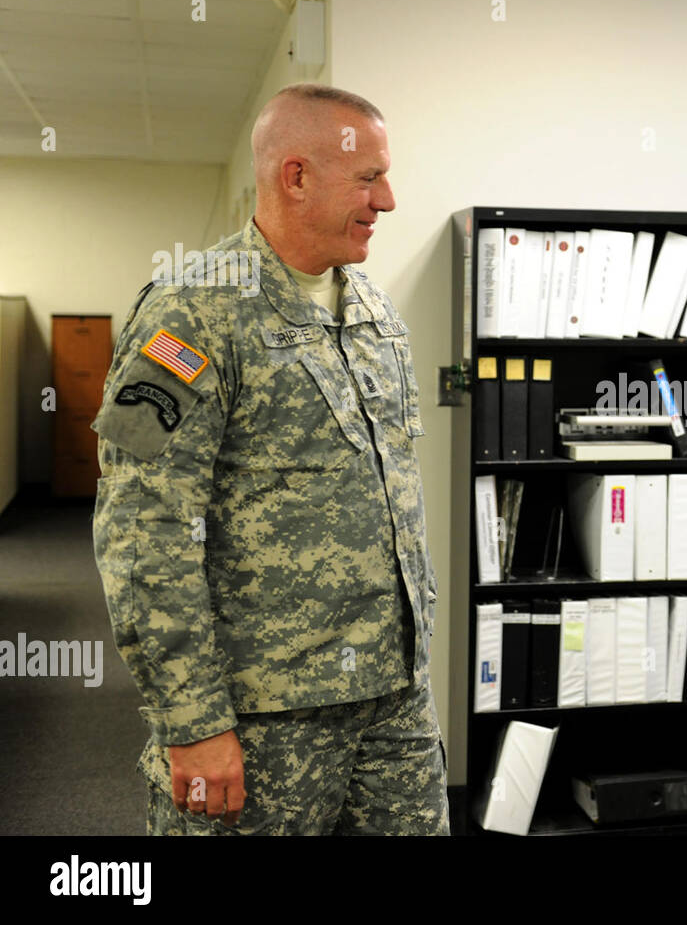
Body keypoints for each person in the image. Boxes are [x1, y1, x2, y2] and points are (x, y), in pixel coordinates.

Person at [92, 83, 448, 835]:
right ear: (295, 176)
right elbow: (140, 529)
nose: (387, 199)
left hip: (394, 704)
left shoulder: (375, 313)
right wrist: (191, 719)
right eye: (368, 177)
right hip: (262, 718)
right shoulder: (191, 310)